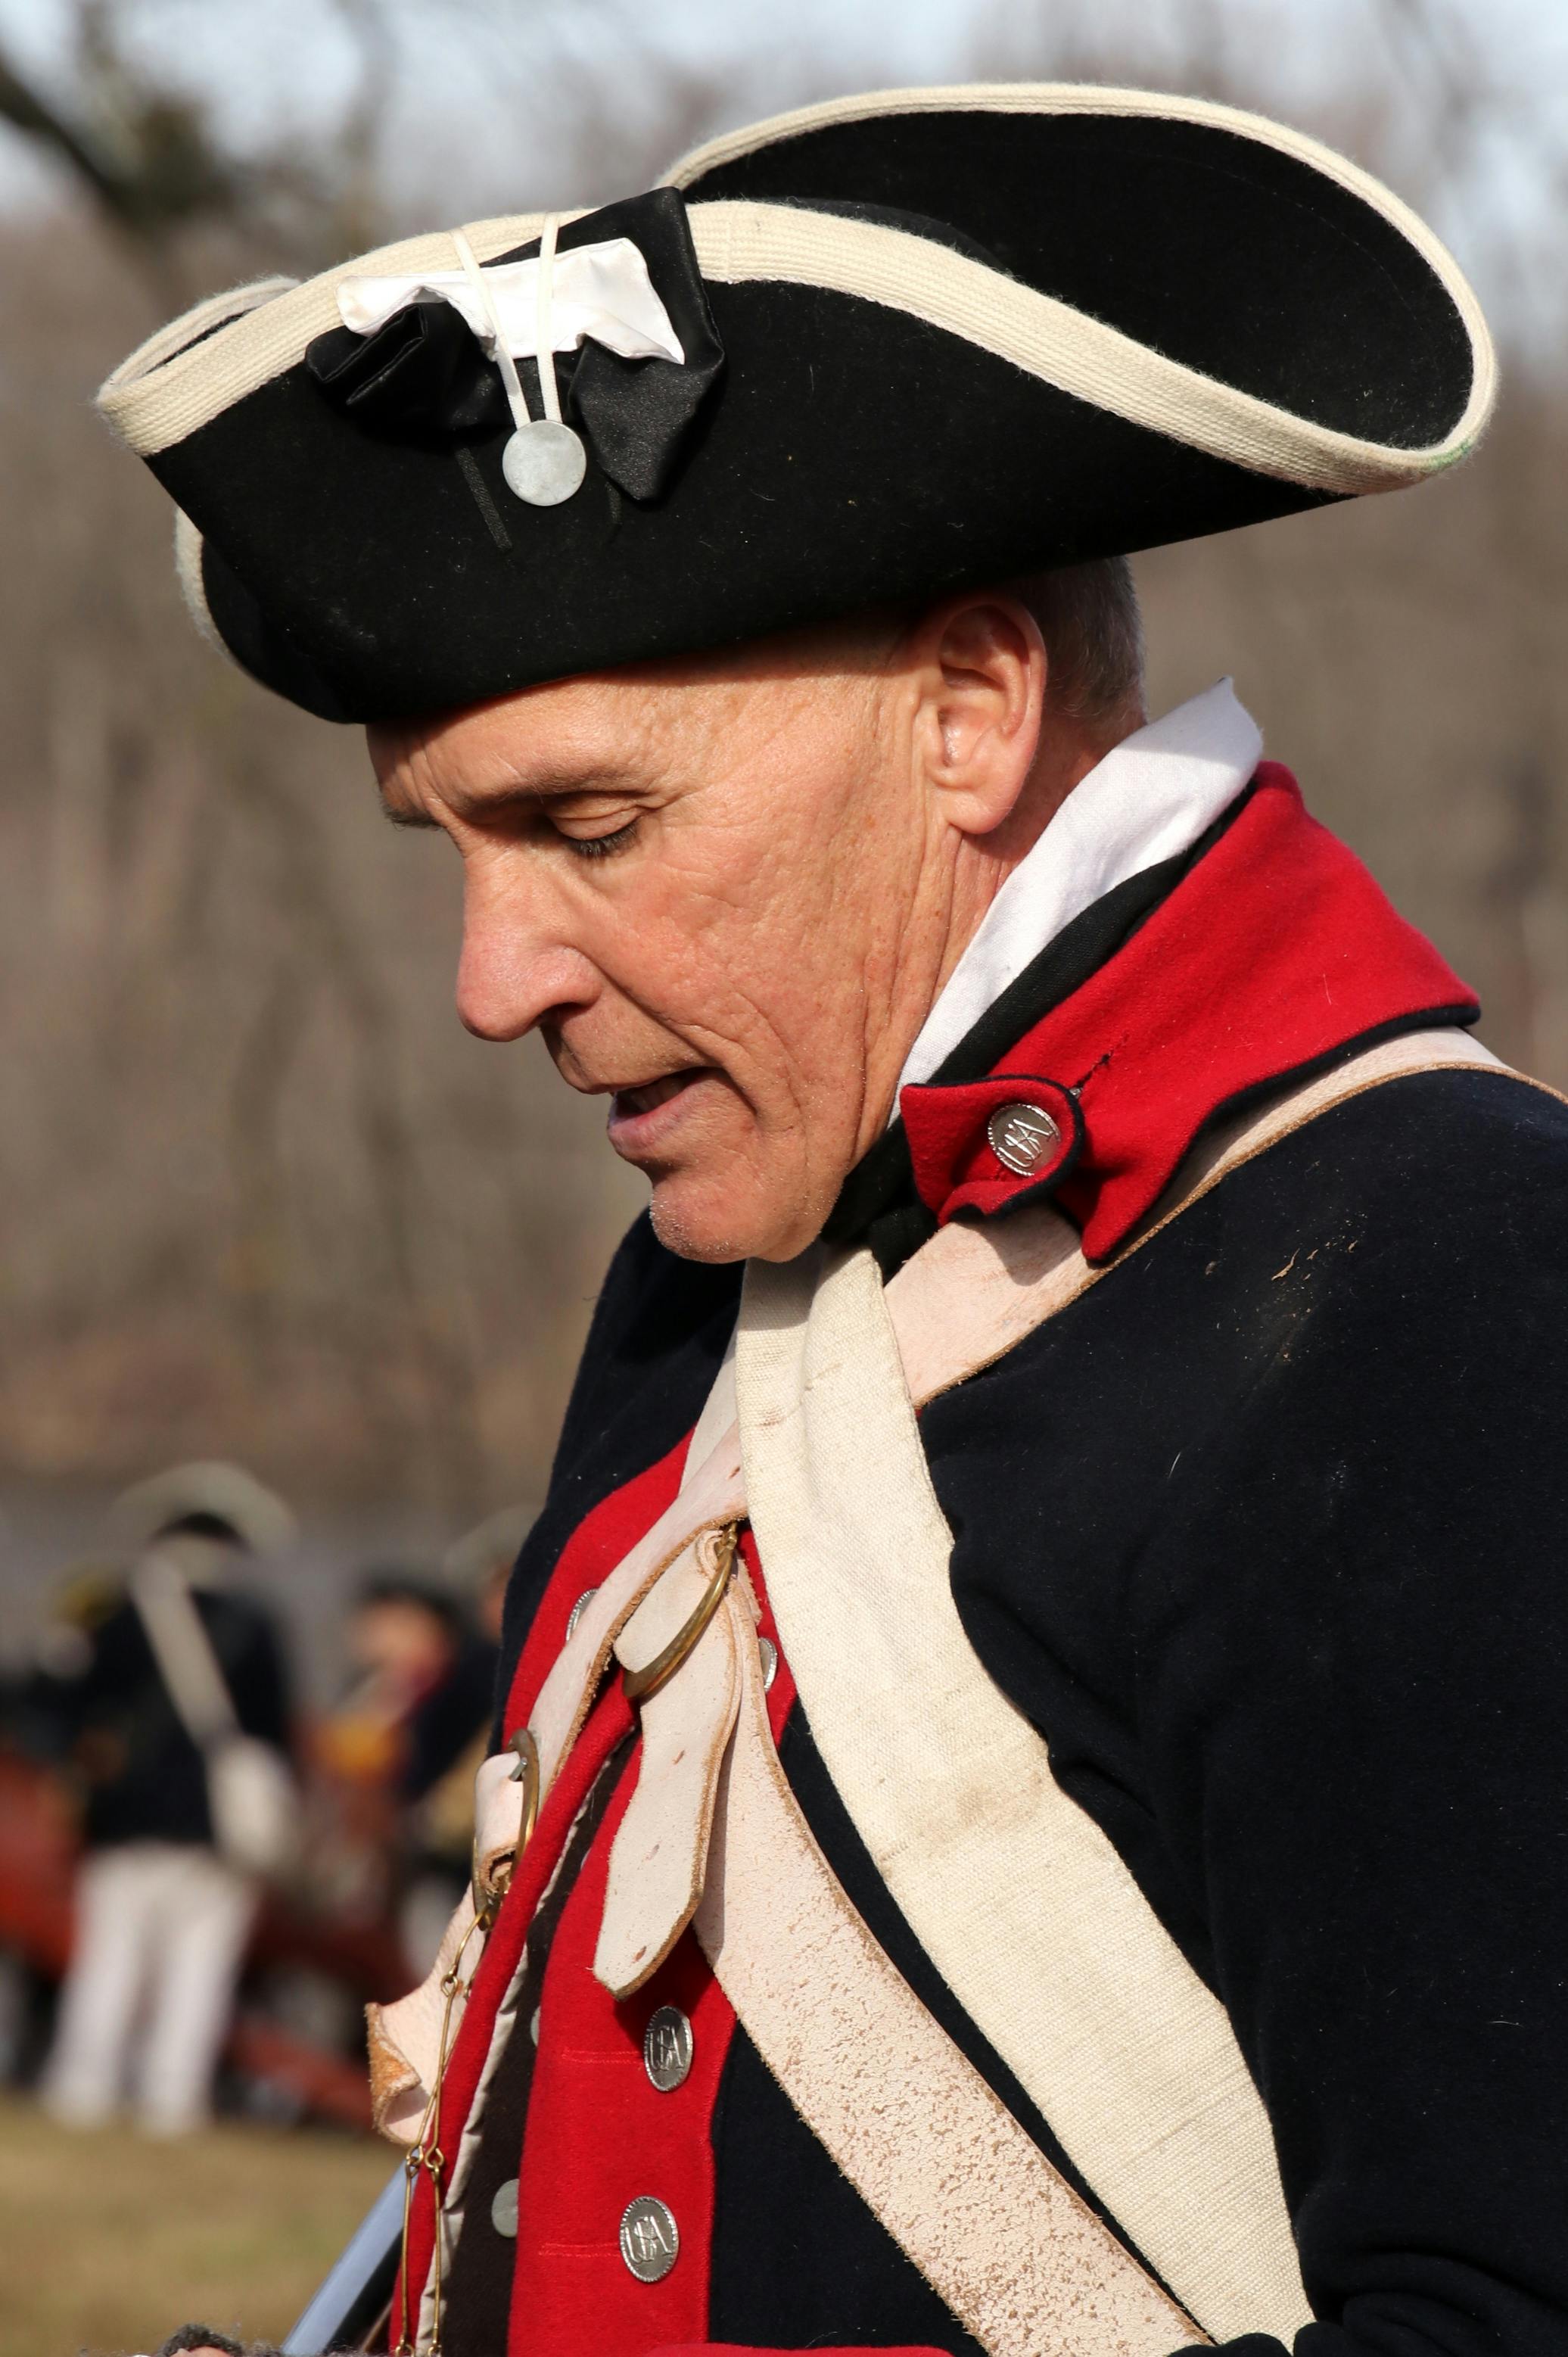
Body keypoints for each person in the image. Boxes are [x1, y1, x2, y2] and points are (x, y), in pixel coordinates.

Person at [101, 82, 1567, 2357]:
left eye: (587, 825)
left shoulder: (1448, 1289)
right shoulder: (727, 1278)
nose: (494, 987)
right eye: (452, 852)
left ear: (966, 712)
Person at [39, 1462, 296, 2137]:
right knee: (198, 1972)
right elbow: (275, 1734)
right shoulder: (256, 1625)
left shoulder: (115, 1614)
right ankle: (172, 2103)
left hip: (124, 1821)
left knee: (111, 1961)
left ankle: (82, 2093)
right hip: (217, 1830)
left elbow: (64, 1711)